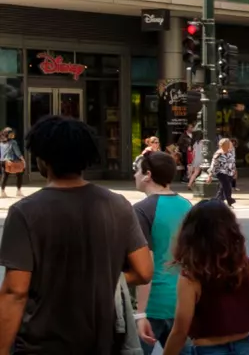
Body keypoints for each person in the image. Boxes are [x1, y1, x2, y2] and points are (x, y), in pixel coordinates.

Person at [0, 115, 153, 355]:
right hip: (102, 343)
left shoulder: (24, 212)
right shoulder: (118, 205)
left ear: (42, 160)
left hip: (40, 345)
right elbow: (143, 271)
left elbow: (15, 291)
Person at [160, 202, 249, 355]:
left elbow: (180, 331)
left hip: (209, 349)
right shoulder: (245, 266)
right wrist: (237, 318)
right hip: (243, 346)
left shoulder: (191, 276)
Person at [133, 150, 194, 355]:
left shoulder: (141, 210)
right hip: (182, 300)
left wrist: (140, 312)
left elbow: (145, 264)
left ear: (148, 175)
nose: (135, 175)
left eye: (137, 171)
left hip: (153, 304)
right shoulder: (187, 205)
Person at [209, 138, 238, 208]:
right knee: (227, 186)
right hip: (221, 172)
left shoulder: (230, 152)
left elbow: (232, 162)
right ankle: (229, 201)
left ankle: (216, 201)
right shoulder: (218, 153)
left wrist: (234, 171)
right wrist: (210, 175)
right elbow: (213, 164)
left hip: (229, 172)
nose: (230, 145)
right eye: (228, 143)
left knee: (222, 188)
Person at [0, 128, 22, 197]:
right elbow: (17, 152)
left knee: (4, 176)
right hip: (12, 161)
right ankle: (18, 191)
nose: (13, 134)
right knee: (19, 175)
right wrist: (23, 159)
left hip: (3, 161)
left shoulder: (1, 142)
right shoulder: (13, 142)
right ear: (7, 134)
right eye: (11, 133)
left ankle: (2, 192)